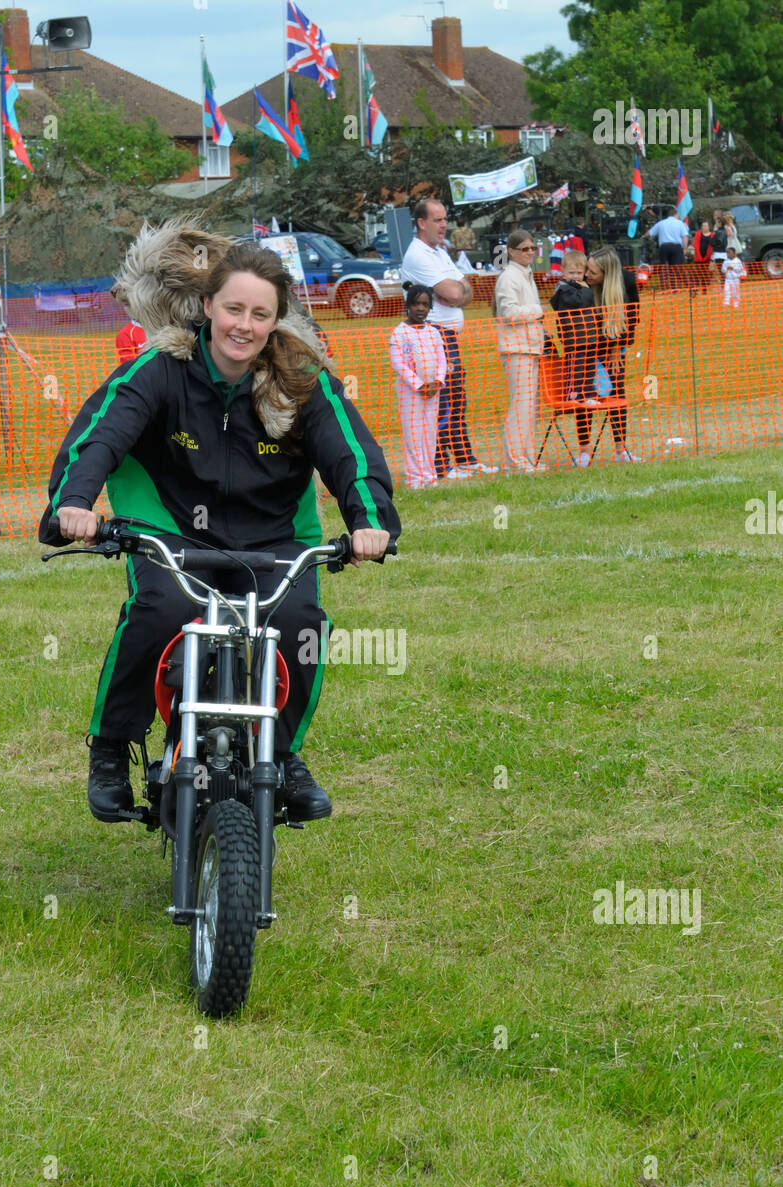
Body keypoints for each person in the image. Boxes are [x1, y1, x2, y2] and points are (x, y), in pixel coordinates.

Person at [39, 231, 400, 825]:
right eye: (233, 308)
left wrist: (370, 521)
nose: (244, 325)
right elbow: (101, 434)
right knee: (155, 608)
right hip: (173, 525)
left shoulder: (300, 377)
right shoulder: (161, 368)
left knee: (300, 624)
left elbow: (349, 455)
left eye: (260, 314)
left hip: (275, 535)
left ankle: (282, 756)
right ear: (208, 307)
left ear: (276, 320)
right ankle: (110, 748)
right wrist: (73, 503)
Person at [400, 198, 491, 478]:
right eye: (437, 220)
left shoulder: (440, 251)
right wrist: (456, 291)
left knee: (456, 398)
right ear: (421, 223)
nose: (443, 226)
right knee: (440, 402)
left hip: (449, 336)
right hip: (432, 336)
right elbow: (453, 294)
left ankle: (464, 457)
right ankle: (441, 464)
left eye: (444, 219)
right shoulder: (417, 254)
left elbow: (466, 290)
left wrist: (457, 289)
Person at [580, 245, 641, 464]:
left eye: (592, 272)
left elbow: (633, 320)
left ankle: (620, 450)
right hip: (588, 347)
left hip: (616, 342)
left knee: (617, 394)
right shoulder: (584, 285)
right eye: (587, 269)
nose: (587, 275)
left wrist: (617, 349)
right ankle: (584, 452)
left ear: (607, 274)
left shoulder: (627, 282)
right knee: (585, 397)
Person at [493, 228, 546, 473]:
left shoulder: (526, 274)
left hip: (530, 347)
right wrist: (537, 310)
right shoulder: (509, 277)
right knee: (521, 405)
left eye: (532, 248)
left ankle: (527, 456)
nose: (529, 252)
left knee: (530, 406)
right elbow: (508, 313)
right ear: (512, 251)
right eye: (524, 249)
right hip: (516, 348)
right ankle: (515, 460)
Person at [389, 282, 448, 488]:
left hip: (433, 392)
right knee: (413, 434)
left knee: (430, 433)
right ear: (408, 305)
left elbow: (442, 360)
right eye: (416, 304)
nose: (420, 309)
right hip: (411, 393)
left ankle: (429, 475)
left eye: (425, 304)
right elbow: (398, 364)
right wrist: (419, 385)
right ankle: (415, 478)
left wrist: (437, 382)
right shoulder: (400, 332)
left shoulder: (433, 332)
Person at [550, 249, 599, 411]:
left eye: (579, 272)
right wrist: (585, 289)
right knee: (576, 367)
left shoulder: (580, 286)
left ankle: (588, 393)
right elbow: (580, 301)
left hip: (589, 337)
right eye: (571, 272)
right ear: (563, 271)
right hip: (573, 339)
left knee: (589, 366)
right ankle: (574, 393)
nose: (576, 276)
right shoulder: (564, 289)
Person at [647, 206, 690, 291]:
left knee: (663, 267)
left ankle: (663, 288)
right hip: (676, 247)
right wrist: (684, 249)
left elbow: (650, 233)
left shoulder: (661, 223)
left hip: (664, 247)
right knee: (675, 268)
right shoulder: (680, 223)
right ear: (675, 214)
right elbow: (685, 236)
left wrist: (644, 236)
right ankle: (675, 288)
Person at [693, 220, 713, 293]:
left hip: (707, 258)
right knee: (697, 274)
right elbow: (696, 245)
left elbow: (710, 248)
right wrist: (700, 258)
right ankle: (695, 289)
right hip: (698, 258)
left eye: (705, 226)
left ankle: (704, 290)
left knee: (705, 274)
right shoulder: (698, 234)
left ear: (709, 227)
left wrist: (706, 258)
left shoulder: (712, 235)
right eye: (702, 226)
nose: (703, 227)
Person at [710, 210, 728, 278]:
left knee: (721, 272)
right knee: (723, 272)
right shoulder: (724, 231)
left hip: (718, 254)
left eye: (717, 223)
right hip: (723, 253)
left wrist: (712, 241)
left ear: (720, 223)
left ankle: (724, 286)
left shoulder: (719, 232)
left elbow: (716, 242)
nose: (716, 224)